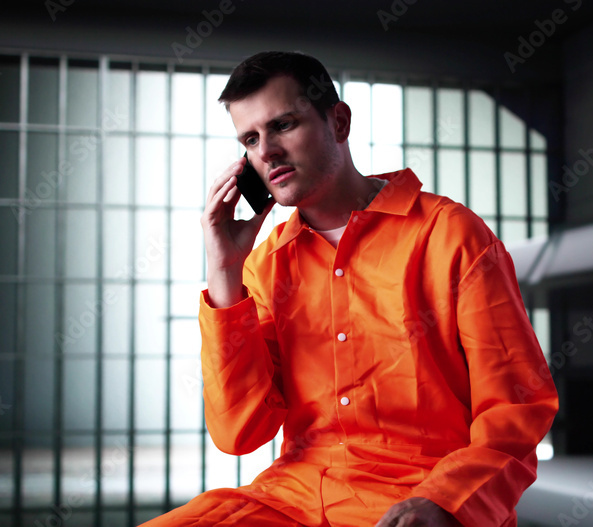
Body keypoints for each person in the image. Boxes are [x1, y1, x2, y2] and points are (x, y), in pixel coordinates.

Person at [141, 51, 558, 527]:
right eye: (251, 139)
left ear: (338, 122)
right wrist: (224, 270)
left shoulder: (450, 235)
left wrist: (445, 502)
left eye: (283, 125)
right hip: (293, 498)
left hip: (419, 499)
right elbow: (240, 432)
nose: (267, 151)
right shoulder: (264, 266)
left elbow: (516, 406)